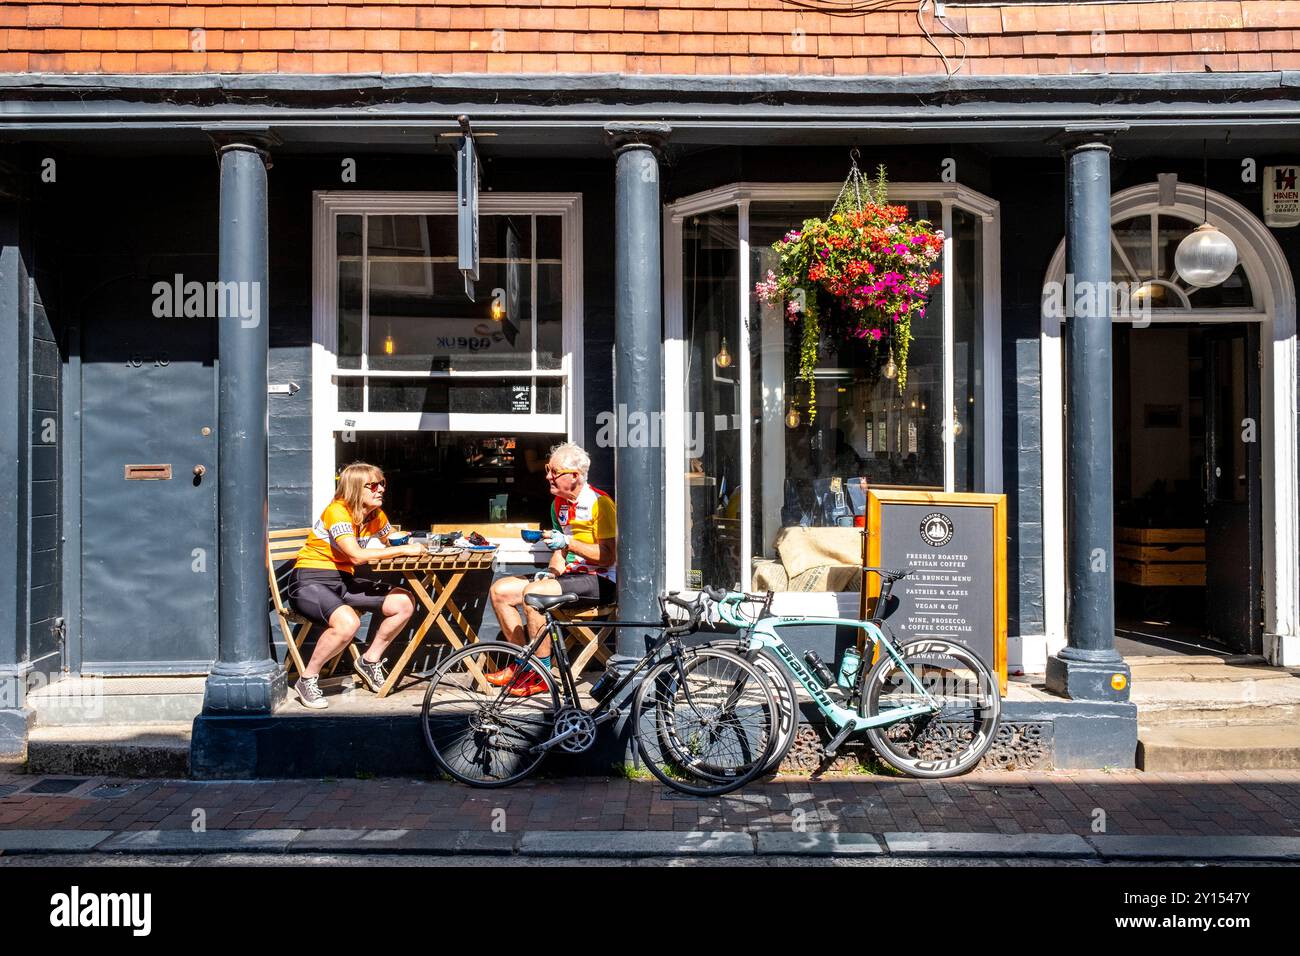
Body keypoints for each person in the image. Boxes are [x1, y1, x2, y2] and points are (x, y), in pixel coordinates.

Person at [286, 462, 425, 709]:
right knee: (349, 622)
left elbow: (392, 539)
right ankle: (307, 679)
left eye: (383, 483)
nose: (380, 489)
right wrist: (403, 549)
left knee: (404, 602)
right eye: (373, 485)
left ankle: (370, 661)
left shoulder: (374, 514)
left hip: (343, 581)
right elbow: (356, 556)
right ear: (354, 488)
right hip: (310, 579)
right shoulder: (337, 512)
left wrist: (420, 545)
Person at [487, 441, 616, 697]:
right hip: (571, 576)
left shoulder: (600, 504)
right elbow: (560, 553)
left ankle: (541, 674)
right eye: (548, 469)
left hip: (599, 579)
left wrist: (568, 542)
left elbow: (607, 557)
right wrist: (553, 572)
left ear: (575, 476)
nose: (548, 476)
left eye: (554, 472)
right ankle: (524, 665)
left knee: (534, 596)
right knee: (500, 591)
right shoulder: (559, 504)